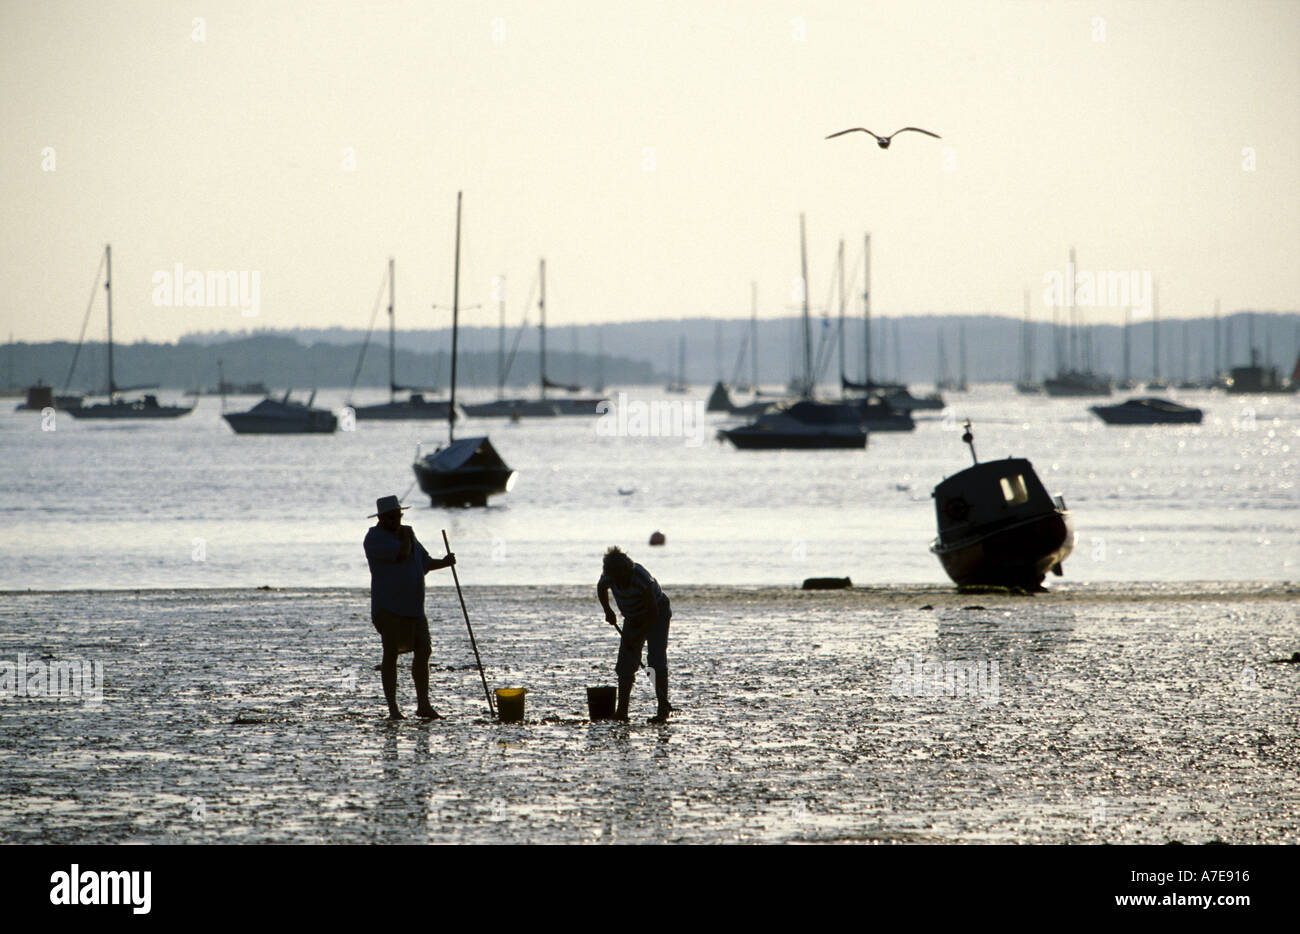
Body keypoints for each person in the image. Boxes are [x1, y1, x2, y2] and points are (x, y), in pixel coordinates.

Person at [363, 495, 456, 720]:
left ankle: (423, 704)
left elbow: (423, 563)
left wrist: (445, 562)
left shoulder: (408, 535)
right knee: (390, 655)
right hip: (389, 607)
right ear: (382, 518)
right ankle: (393, 709)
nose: (396, 521)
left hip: (414, 607)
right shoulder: (375, 538)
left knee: (424, 651)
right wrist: (406, 537)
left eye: (399, 516)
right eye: (391, 517)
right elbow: (401, 555)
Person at [597, 546, 673, 722]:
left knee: (656, 660)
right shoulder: (609, 576)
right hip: (631, 617)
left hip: (657, 614)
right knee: (626, 663)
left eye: (622, 578)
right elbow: (601, 588)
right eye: (616, 579)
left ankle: (663, 710)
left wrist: (638, 637)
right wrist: (608, 611)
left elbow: (652, 614)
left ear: (627, 571)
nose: (620, 582)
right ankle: (622, 712)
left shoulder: (642, 580)